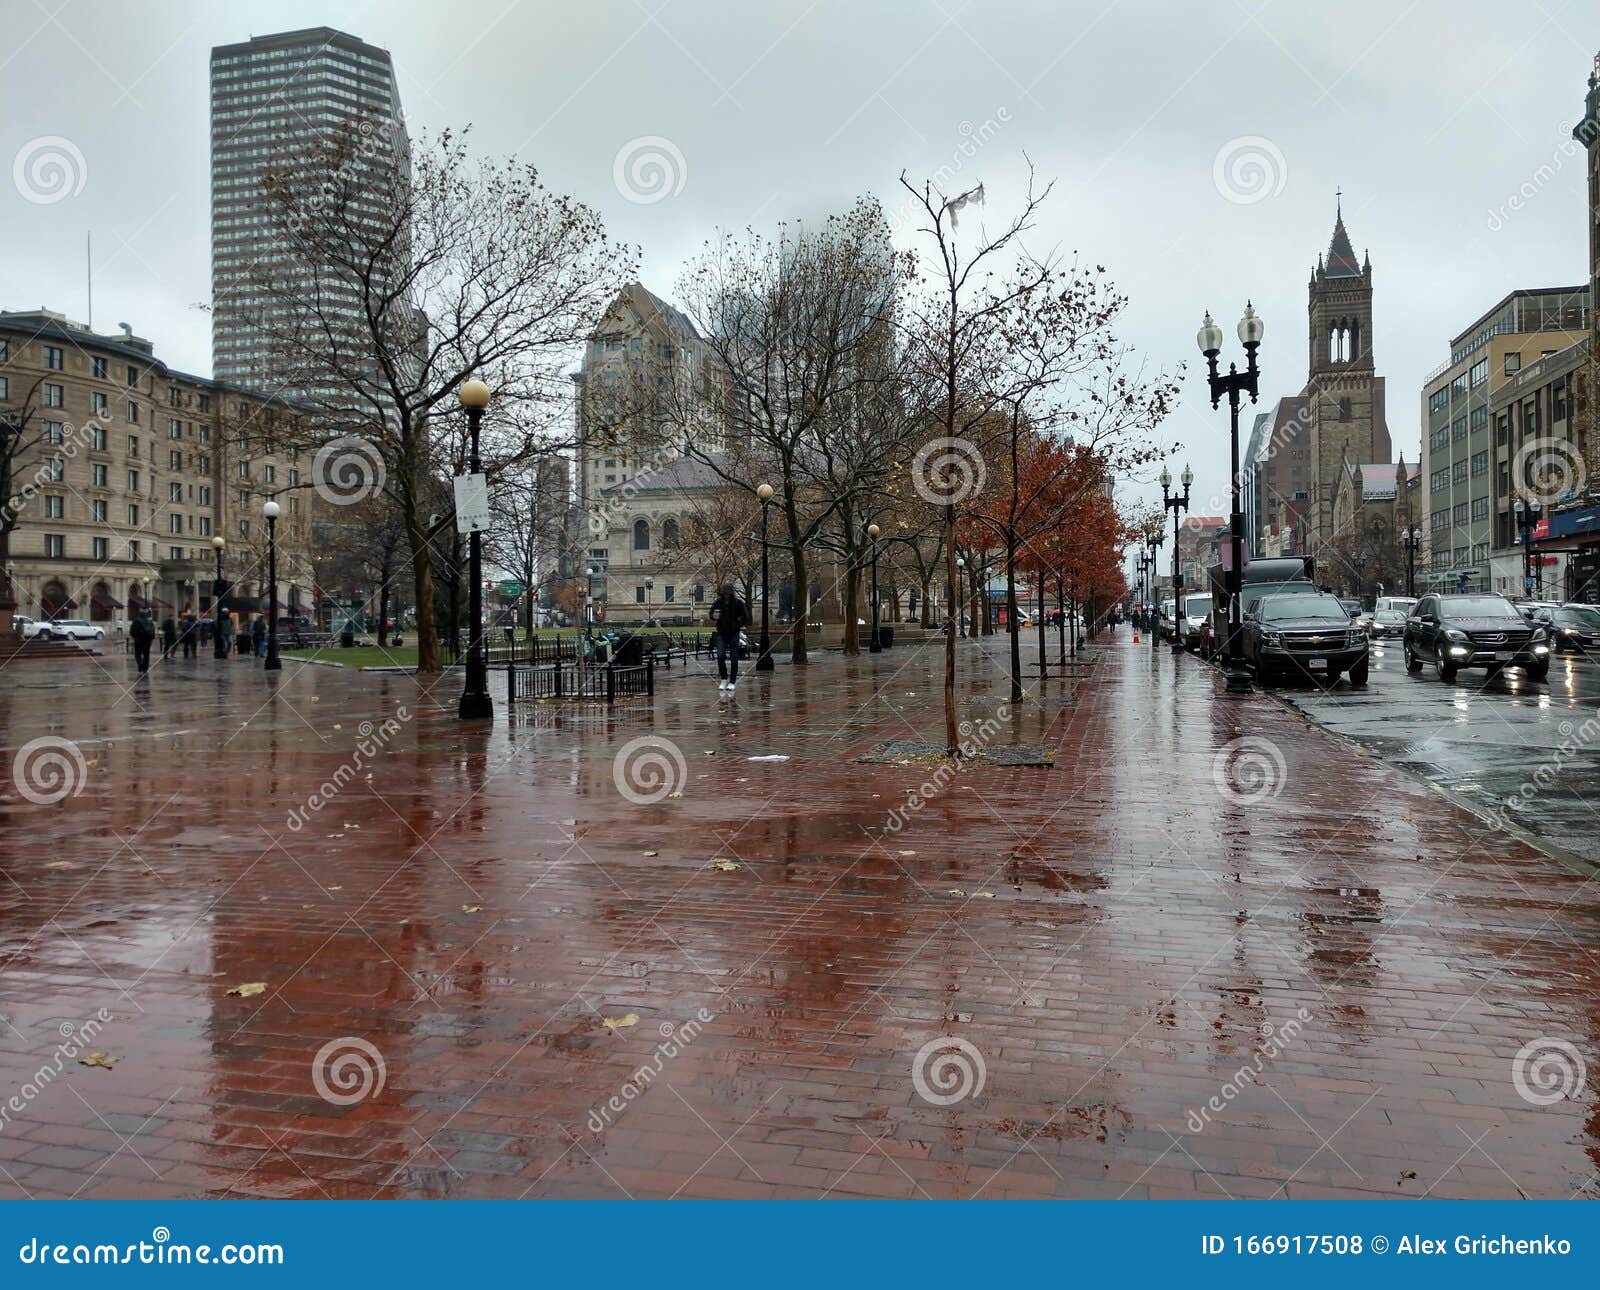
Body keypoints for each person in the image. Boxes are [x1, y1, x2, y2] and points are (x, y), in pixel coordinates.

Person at [708, 584, 749, 693]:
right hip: (721, 632)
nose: (726, 596)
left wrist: (737, 625)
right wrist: (713, 616)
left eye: (728, 594)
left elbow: (745, 617)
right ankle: (724, 678)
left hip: (733, 633)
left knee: (734, 657)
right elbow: (711, 613)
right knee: (720, 655)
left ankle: (732, 681)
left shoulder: (738, 603)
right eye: (725, 594)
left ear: (731, 593)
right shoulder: (718, 602)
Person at [130, 609, 155, 674]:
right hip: (148, 640)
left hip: (138, 640)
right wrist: (152, 638)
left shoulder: (136, 620)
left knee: (138, 653)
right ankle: (145, 669)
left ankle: (140, 663)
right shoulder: (149, 620)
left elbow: (132, 631)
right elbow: (153, 630)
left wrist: (134, 637)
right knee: (146, 654)